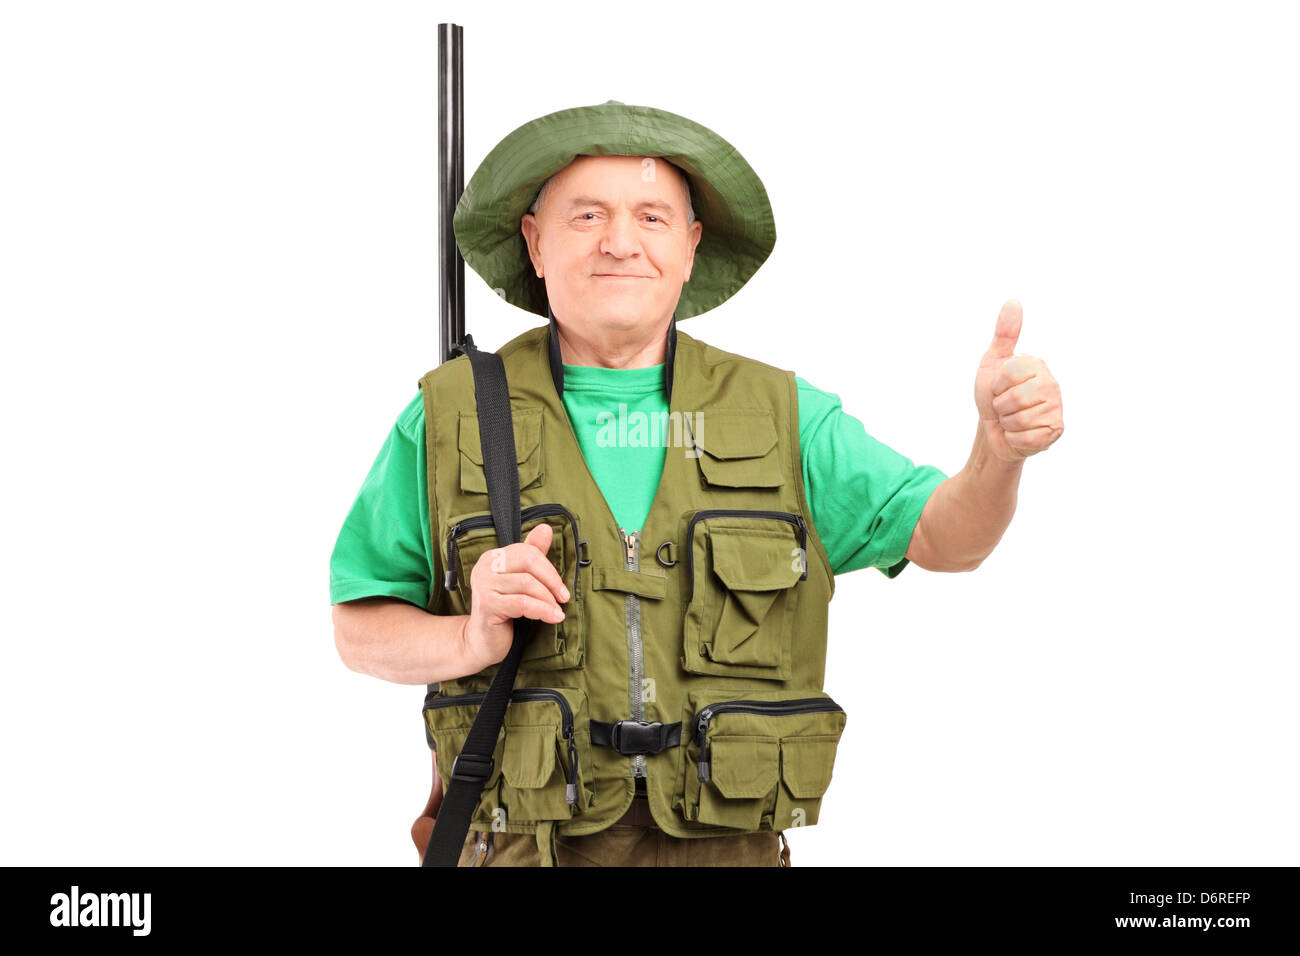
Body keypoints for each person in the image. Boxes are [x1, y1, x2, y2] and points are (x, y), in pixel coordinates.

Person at [330, 100, 1064, 867]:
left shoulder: (784, 417)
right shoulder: (449, 417)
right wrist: (468, 634)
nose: (619, 242)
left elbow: (948, 539)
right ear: (535, 243)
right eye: (585, 216)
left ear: (690, 246)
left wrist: (997, 451)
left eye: (651, 217)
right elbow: (357, 628)